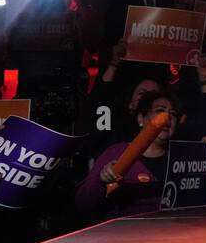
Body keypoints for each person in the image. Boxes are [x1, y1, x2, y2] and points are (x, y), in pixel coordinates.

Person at [76, 91, 178, 222]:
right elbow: (83, 203)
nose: (167, 117)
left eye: (173, 113)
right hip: (124, 236)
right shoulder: (117, 153)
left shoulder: (179, 158)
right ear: (141, 118)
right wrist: (102, 180)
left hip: (169, 234)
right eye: (160, 110)